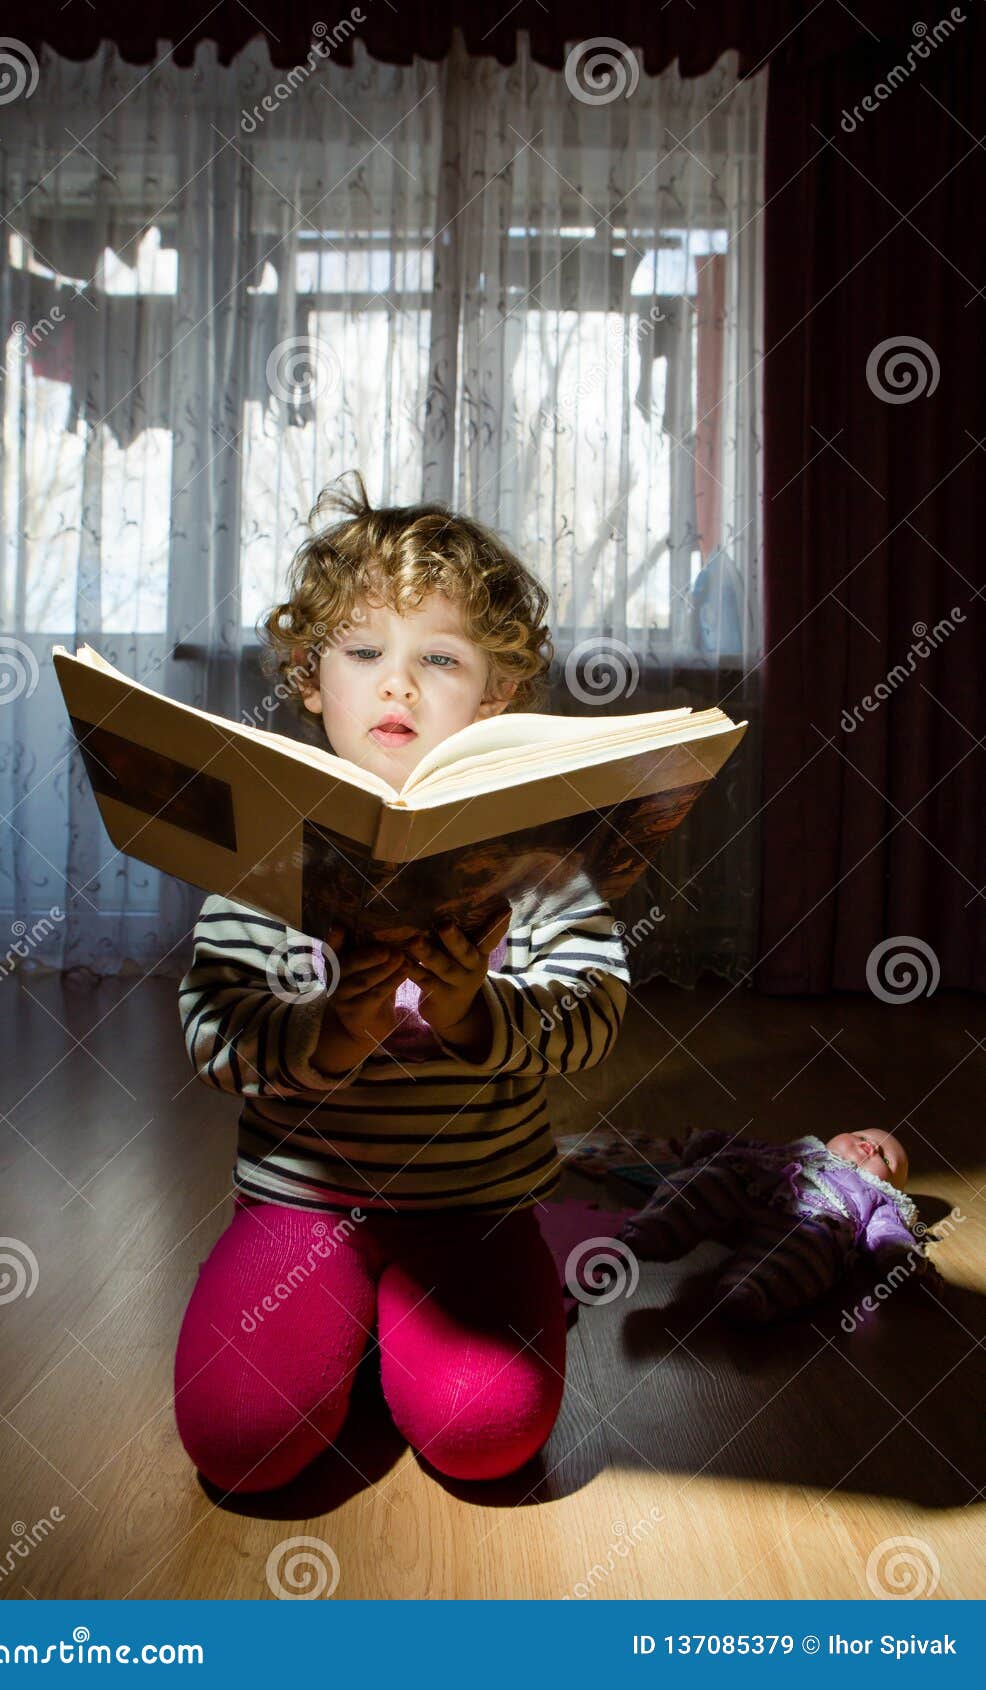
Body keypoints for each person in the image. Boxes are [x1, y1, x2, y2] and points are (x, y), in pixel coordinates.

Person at [173, 471, 631, 1491]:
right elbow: (213, 1030)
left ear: (497, 692)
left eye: (439, 657)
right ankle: (341, 1321)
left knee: (488, 1436)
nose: (398, 685)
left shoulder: (538, 856)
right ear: (310, 677)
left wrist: (476, 1010)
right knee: (238, 1443)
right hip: (300, 1206)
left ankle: (443, 1312)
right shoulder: (264, 847)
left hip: (472, 1205)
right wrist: (332, 1030)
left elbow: (593, 1015)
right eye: (363, 651)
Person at [617, 1125, 939, 1325]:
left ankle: (751, 1290)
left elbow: (888, 1234)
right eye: (862, 1136)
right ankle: (655, 1228)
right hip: (750, 1181)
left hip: (811, 1223)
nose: (871, 1146)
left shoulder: (880, 1199)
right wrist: (712, 1141)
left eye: (885, 1158)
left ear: (892, 1185)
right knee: (709, 1179)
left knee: (808, 1255)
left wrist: (901, 1258)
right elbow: (749, 1146)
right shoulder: (802, 1149)